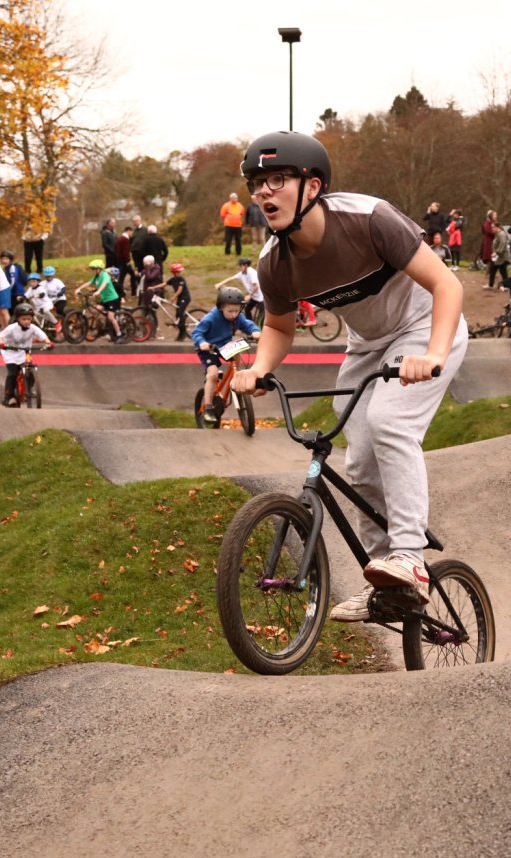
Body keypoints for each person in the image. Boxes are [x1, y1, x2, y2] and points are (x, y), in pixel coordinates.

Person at [232, 129, 467, 621]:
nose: (263, 193)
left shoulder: (369, 219)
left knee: (389, 423)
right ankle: (387, 581)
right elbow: (278, 326)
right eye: (256, 184)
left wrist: (434, 353)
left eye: (277, 180)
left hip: (424, 326)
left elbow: (446, 284)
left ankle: (410, 557)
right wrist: (258, 368)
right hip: (367, 345)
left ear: (312, 186)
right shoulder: (274, 263)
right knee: (359, 461)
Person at [193, 285, 262, 423]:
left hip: (224, 345)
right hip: (209, 348)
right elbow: (197, 332)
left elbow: (247, 324)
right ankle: (208, 407)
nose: (233, 314)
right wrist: (201, 342)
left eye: (237, 311)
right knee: (212, 374)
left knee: (238, 352)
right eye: (230, 311)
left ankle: (236, 375)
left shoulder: (237, 317)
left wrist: (255, 331)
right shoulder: (211, 318)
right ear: (221, 307)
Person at [0, 304, 54, 407]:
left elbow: (42, 335)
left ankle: (28, 390)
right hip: (10, 353)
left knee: (31, 372)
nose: (27, 321)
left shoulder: (33, 328)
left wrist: (48, 343)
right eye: (24, 319)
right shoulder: (12, 328)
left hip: (24, 353)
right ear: (18, 319)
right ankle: (8, 396)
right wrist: (2, 343)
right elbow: (0, 336)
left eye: (29, 319)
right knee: (12, 374)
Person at [75, 259, 127, 343]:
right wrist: (79, 288)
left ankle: (119, 335)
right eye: (92, 269)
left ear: (99, 269)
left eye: (94, 269)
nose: (93, 270)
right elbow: (89, 283)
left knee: (111, 317)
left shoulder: (105, 275)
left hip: (112, 299)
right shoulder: (96, 277)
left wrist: (98, 291)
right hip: (105, 300)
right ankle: (101, 330)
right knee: (96, 310)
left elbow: (105, 283)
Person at [166, 262, 192, 338]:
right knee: (177, 314)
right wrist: (153, 287)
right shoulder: (173, 279)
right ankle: (181, 331)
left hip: (185, 298)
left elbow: (179, 290)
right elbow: (164, 284)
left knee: (180, 312)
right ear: (173, 273)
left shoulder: (181, 279)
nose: (178, 273)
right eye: (177, 272)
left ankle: (183, 330)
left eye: (179, 272)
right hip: (180, 299)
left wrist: (173, 297)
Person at [39, 265, 67, 332]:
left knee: (59, 310)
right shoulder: (42, 283)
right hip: (49, 301)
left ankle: (66, 319)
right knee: (43, 311)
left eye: (50, 276)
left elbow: (63, 288)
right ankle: (50, 324)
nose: (48, 278)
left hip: (59, 299)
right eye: (47, 276)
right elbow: (37, 289)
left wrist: (61, 292)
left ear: (53, 275)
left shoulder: (57, 281)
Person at [485, 222, 511, 291]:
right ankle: (490, 285)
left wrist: (496, 252)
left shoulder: (502, 234)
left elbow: (502, 244)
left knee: (503, 271)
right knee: (492, 269)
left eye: (493, 227)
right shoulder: (497, 234)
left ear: (497, 227)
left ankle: (507, 285)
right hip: (497, 257)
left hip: (502, 257)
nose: (492, 229)